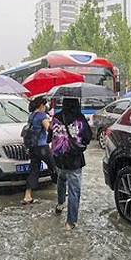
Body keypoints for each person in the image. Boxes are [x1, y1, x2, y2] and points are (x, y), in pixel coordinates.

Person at [49, 98, 92, 230]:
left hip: (59, 158)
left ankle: (60, 204)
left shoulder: (56, 117)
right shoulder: (80, 118)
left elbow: (49, 135)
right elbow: (88, 138)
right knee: (74, 191)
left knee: (61, 180)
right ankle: (70, 223)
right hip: (74, 161)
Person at [22, 96, 56, 205]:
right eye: (44, 104)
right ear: (41, 105)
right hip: (42, 147)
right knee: (54, 167)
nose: (45, 106)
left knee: (34, 171)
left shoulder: (31, 116)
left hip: (32, 147)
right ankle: (62, 190)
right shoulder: (42, 116)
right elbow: (48, 129)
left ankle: (27, 196)